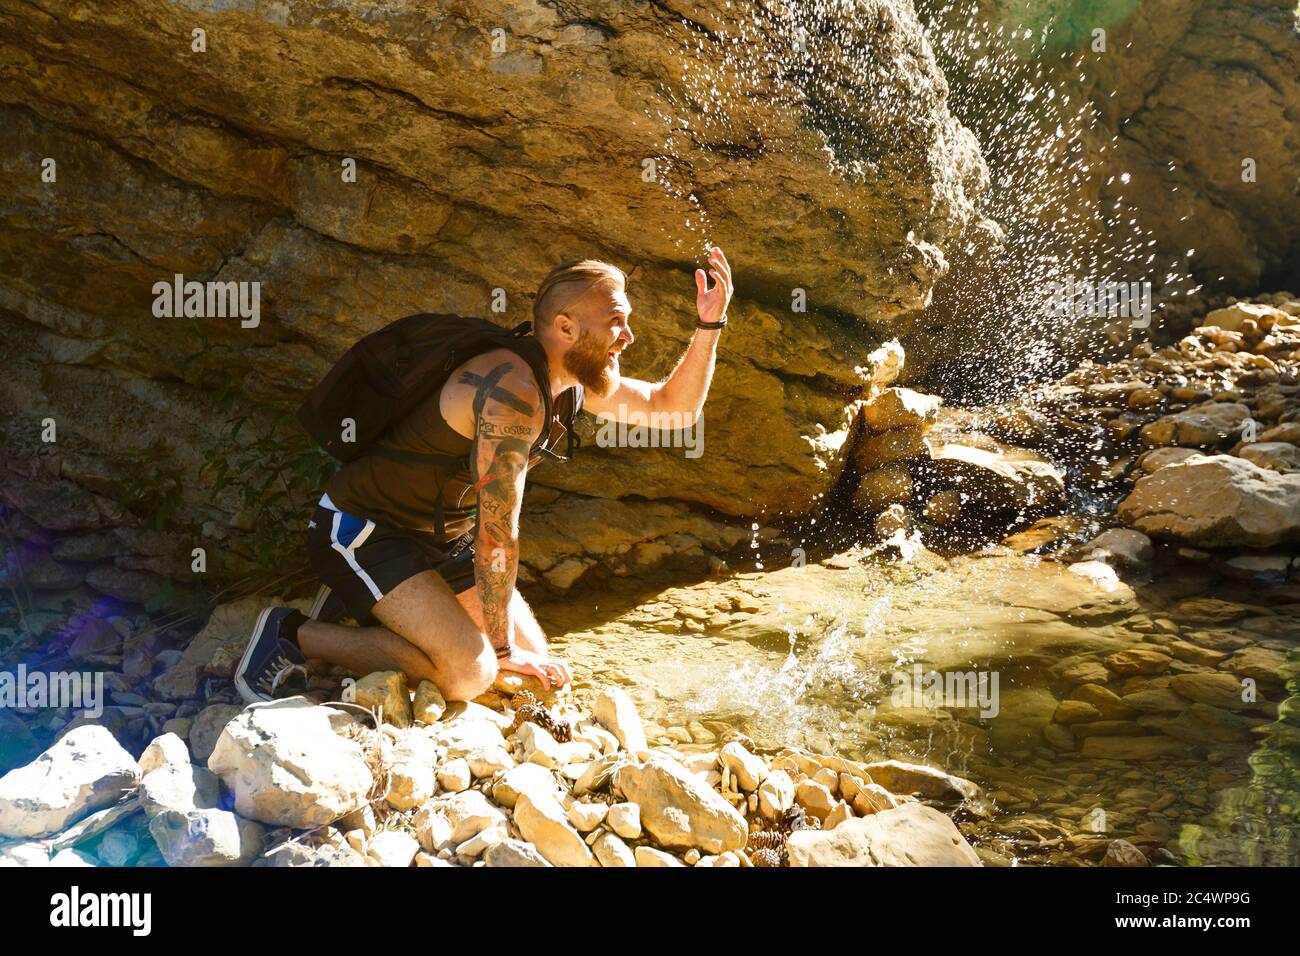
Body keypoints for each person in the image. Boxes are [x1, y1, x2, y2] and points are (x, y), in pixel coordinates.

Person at [234, 246, 733, 704]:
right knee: (471, 675)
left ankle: (367, 611)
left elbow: (673, 408)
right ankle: (294, 632)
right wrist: (498, 646)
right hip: (365, 530)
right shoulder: (509, 392)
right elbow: (498, 533)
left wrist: (710, 324)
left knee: (541, 681)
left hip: (440, 541)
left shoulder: (570, 380)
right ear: (565, 328)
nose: (628, 336)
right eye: (617, 322)